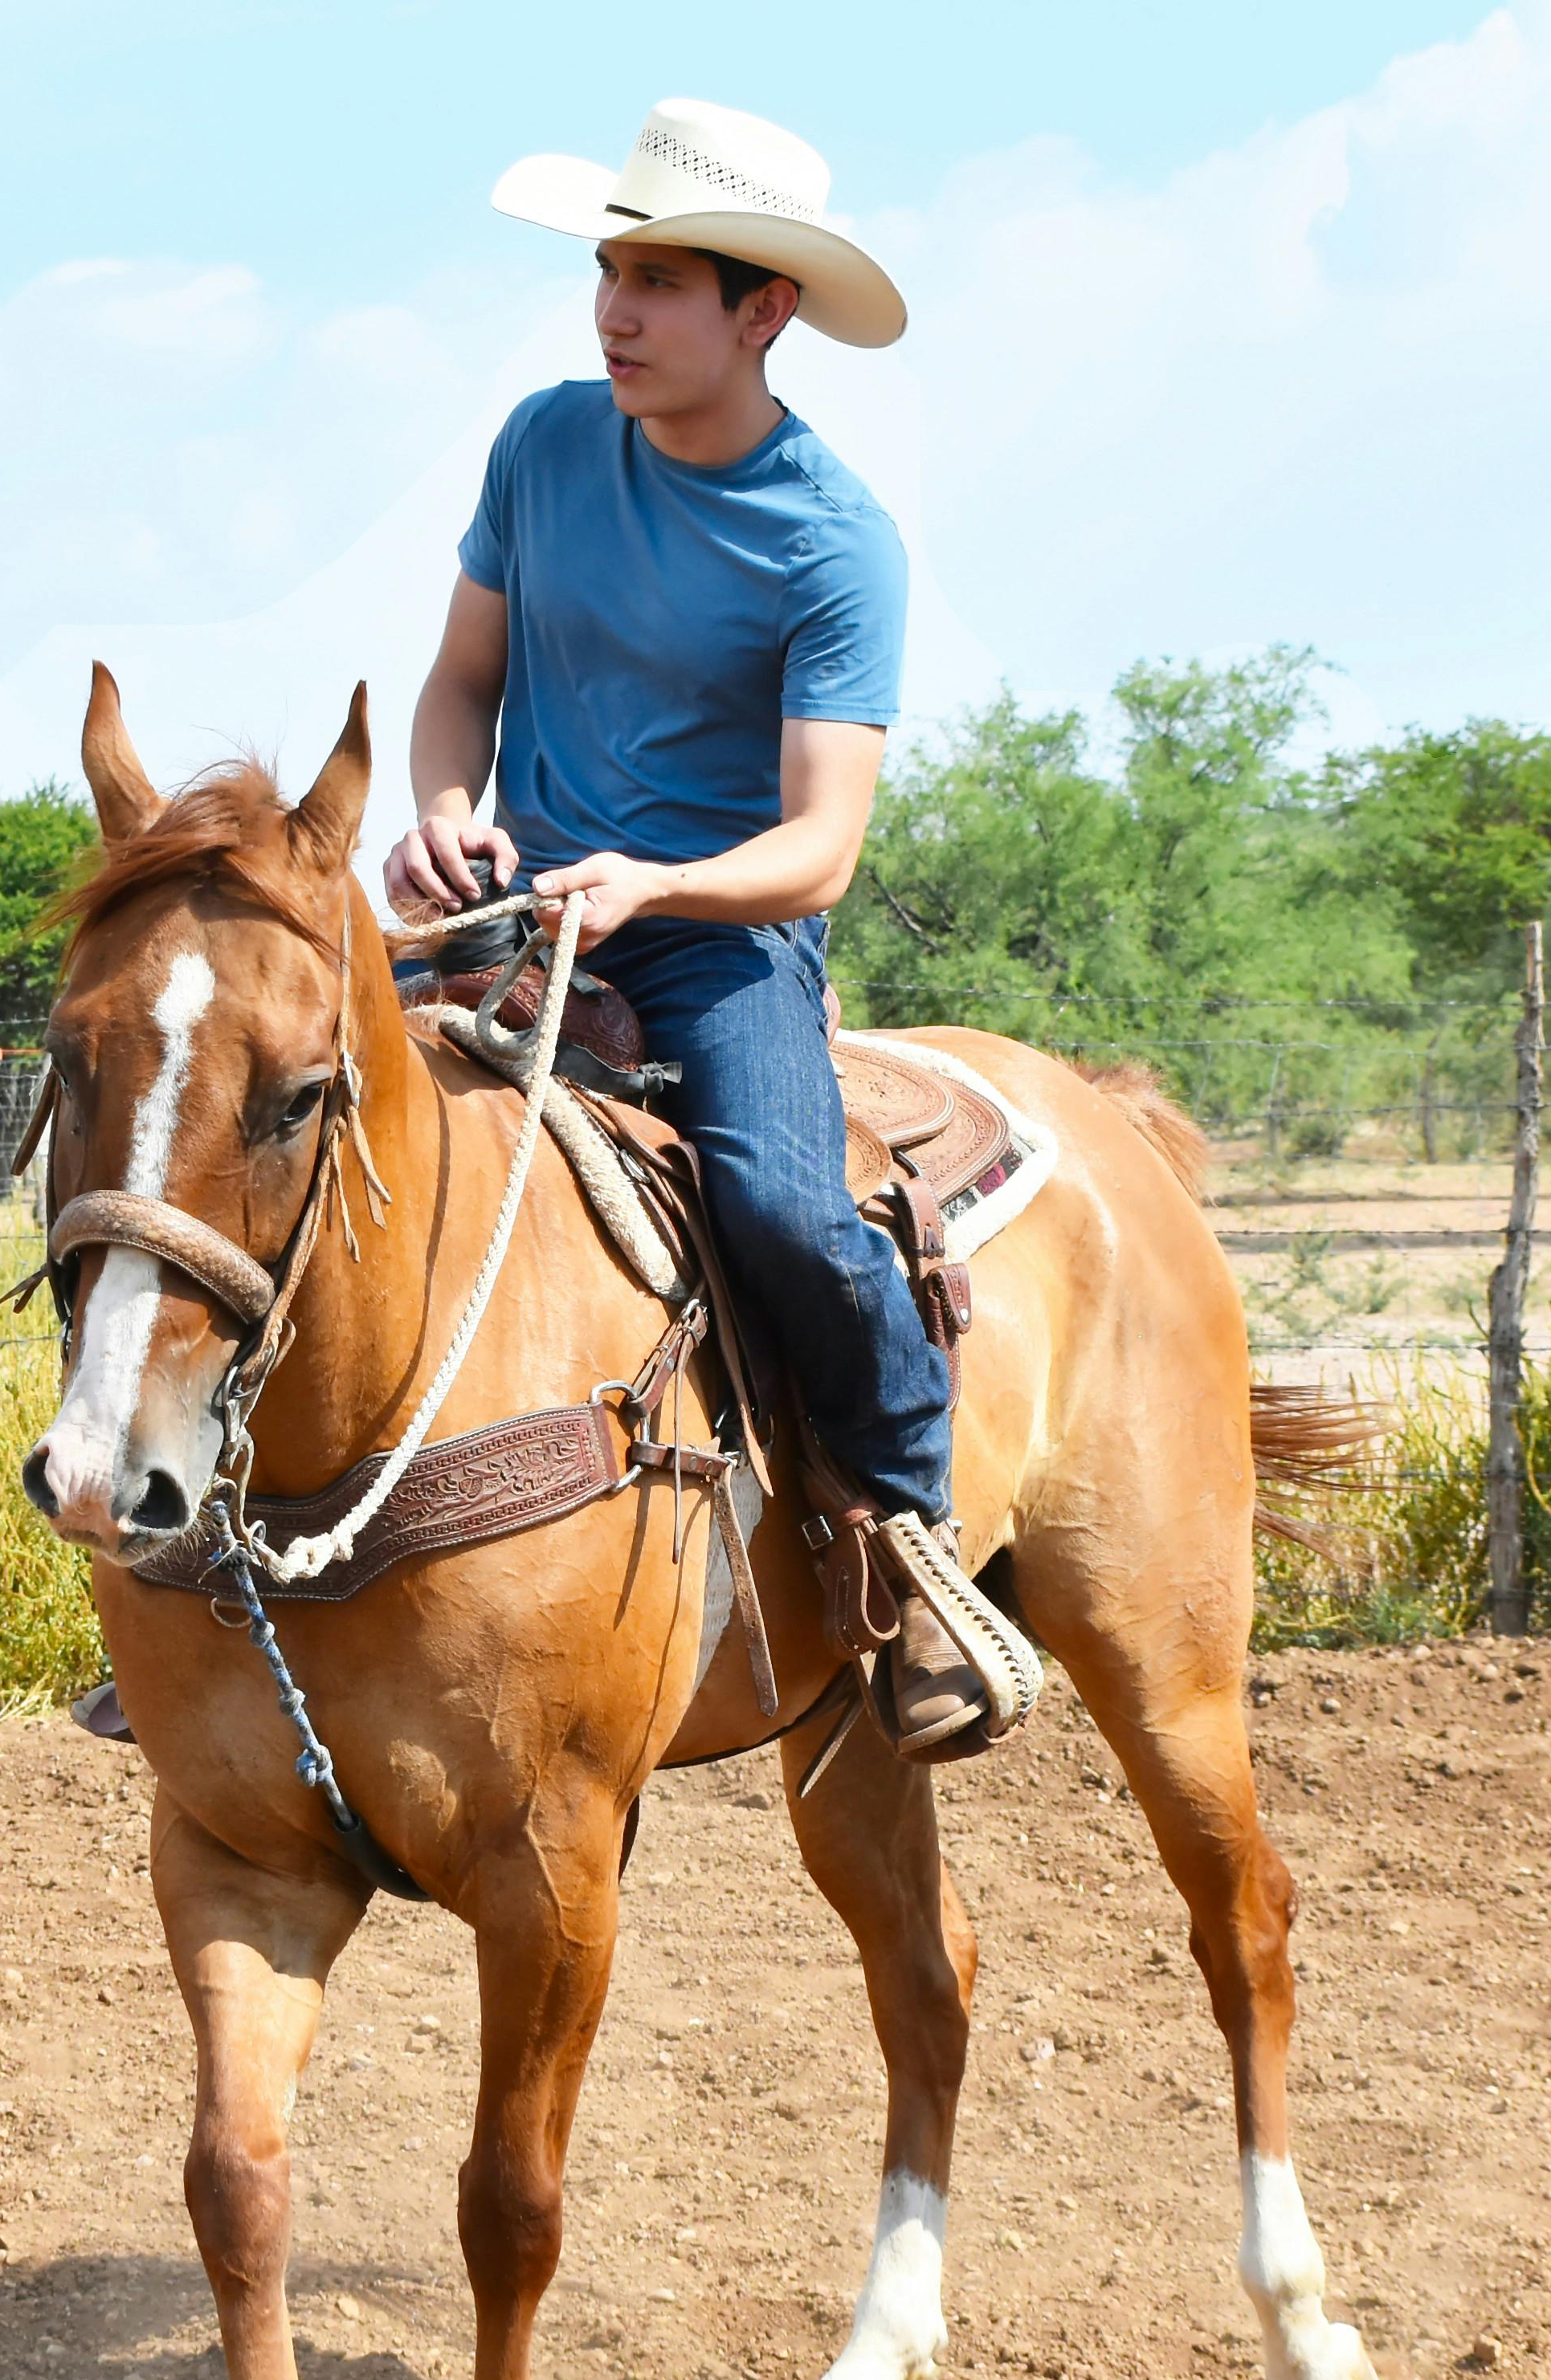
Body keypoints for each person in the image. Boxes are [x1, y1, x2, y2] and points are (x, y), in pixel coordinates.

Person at [384, 97, 1039, 1758]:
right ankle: (224, 1555)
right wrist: (447, 809)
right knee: (276, 1112)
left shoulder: (831, 540)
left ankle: (916, 1542)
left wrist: (653, 883)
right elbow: (460, 682)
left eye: (659, 281)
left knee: (782, 1208)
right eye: (609, 270)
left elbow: (818, 849)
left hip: (711, 939)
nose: (612, 309)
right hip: (509, 916)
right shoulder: (539, 443)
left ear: (765, 311)